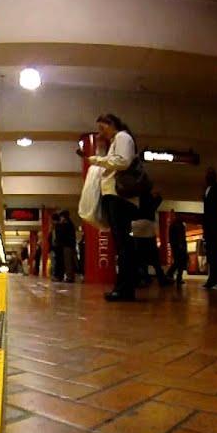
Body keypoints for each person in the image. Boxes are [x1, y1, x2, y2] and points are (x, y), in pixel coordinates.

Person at [78, 113, 141, 301]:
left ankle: (125, 289)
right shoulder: (117, 139)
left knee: (123, 245)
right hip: (114, 196)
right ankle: (123, 287)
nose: (101, 133)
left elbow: (123, 162)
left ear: (112, 124)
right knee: (121, 244)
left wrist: (97, 160)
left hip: (118, 196)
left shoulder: (122, 137)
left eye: (102, 128)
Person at [54, 211, 78, 282]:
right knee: (68, 262)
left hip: (67, 246)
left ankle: (70, 277)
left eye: (61, 217)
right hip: (68, 245)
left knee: (68, 262)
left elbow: (62, 235)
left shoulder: (67, 224)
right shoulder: (69, 224)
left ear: (64, 217)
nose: (60, 219)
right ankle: (69, 276)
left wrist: (59, 226)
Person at [168, 214, 188, 285]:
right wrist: (182, 245)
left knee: (178, 262)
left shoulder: (175, 225)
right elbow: (181, 237)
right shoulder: (178, 225)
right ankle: (175, 276)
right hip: (179, 246)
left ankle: (173, 275)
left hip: (177, 246)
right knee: (179, 262)